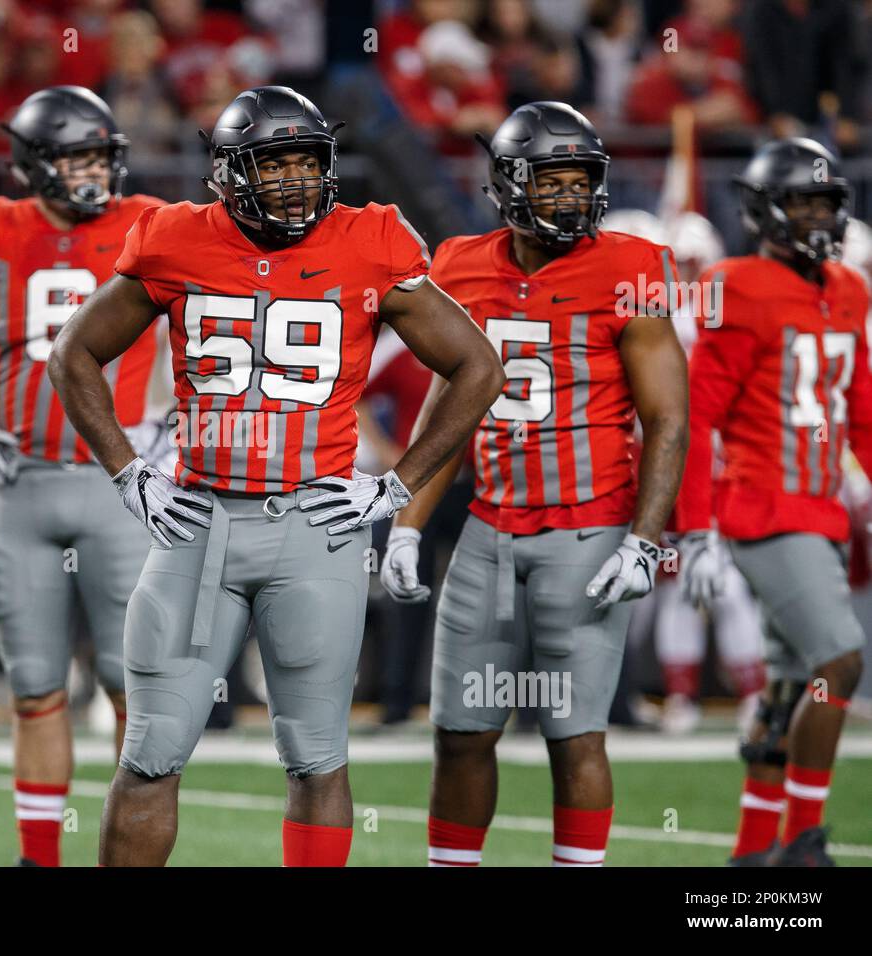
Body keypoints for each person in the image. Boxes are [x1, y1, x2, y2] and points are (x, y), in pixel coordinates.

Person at [48, 85, 505, 866]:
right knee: (151, 753)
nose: (295, 180)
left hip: (314, 528)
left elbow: (477, 367)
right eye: (275, 164)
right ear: (228, 173)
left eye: (306, 162)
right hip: (200, 521)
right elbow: (73, 355)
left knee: (317, 758)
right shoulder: (173, 239)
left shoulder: (372, 239)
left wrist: (396, 485)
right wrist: (128, 472)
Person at [381, 102, 689, 867]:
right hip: (488, 532)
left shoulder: (632, 266)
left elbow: (669, 417)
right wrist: (408, 522)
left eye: (582, 181)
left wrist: (645, 541)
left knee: (573, 733)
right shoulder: (456, 263)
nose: (571, 198)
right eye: (553, 182)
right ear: (510, 184)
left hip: (587, 533)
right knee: (460, 732)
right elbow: (446, 407)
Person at [0, 86, 171, 867]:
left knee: (132, 689)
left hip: (121, 488)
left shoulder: (151, 222)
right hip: (24, 488)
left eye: (96, 156)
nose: (89, 173)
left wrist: (178, 429)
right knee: (34, 691)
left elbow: (220, 322)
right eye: (72, 157)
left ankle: (123, 852)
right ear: (33, 167)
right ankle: (39, 860)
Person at [678, 138, 870, 866]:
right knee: (841, 662)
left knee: (792, 687)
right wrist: (694, 529)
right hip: (764, 506)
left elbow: (861, 405)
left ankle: (752, 851)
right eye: (802, 202)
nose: (817, 216)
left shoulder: (849, 288)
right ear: (764, 210)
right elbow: (698, 420)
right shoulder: (736, 284)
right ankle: (806, 839)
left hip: (822, 509)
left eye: (826, 202)